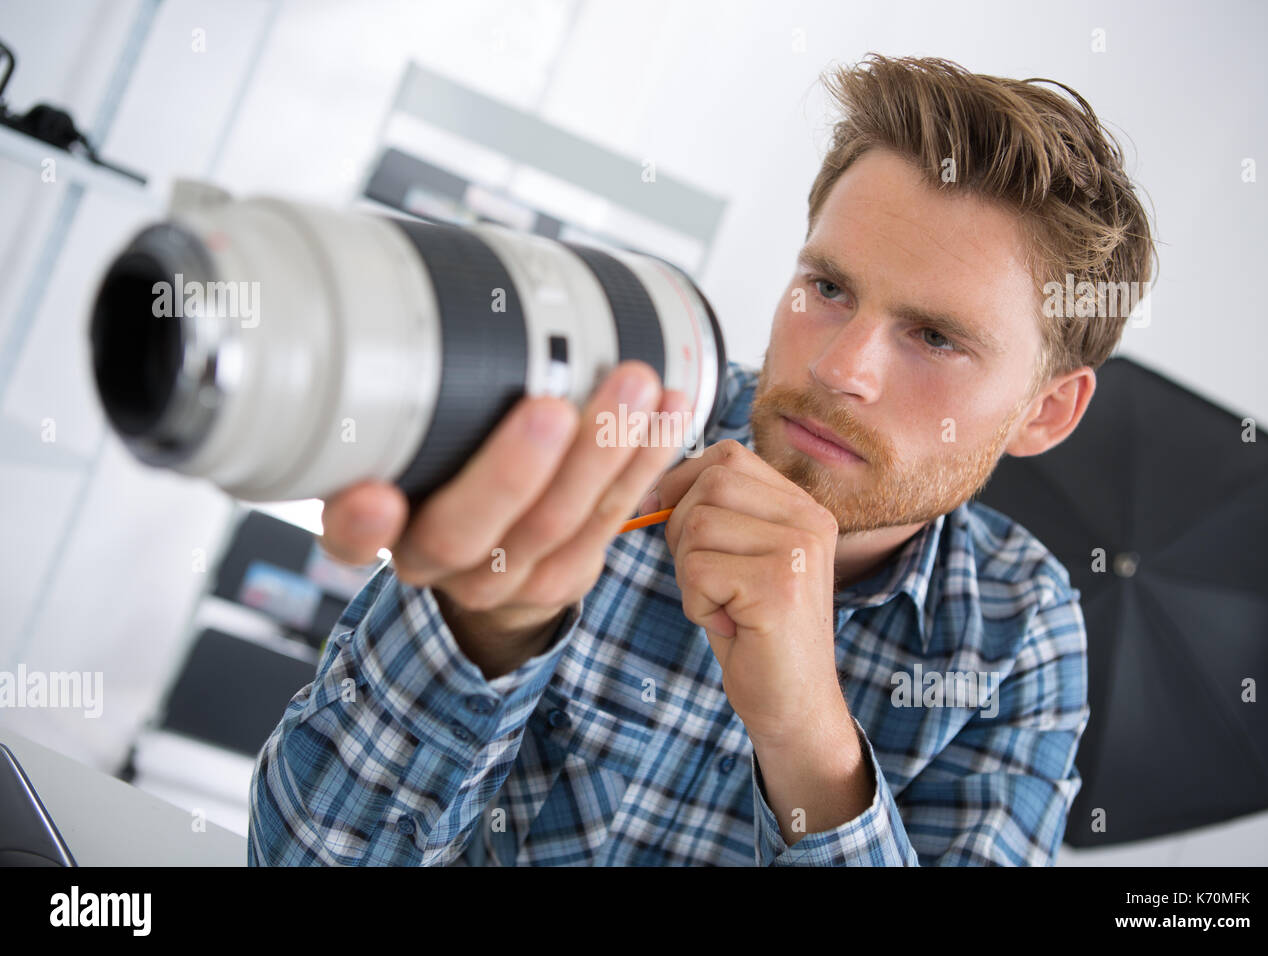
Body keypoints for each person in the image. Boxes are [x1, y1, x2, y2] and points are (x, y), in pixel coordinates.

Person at [248, 53, 1155, 866]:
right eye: (827, 288)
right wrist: (484, 634)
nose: (841, 368)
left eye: (936, 337)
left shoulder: (1019, 628)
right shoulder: (616, 425)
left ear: (1045, 412)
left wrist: (806, 734)